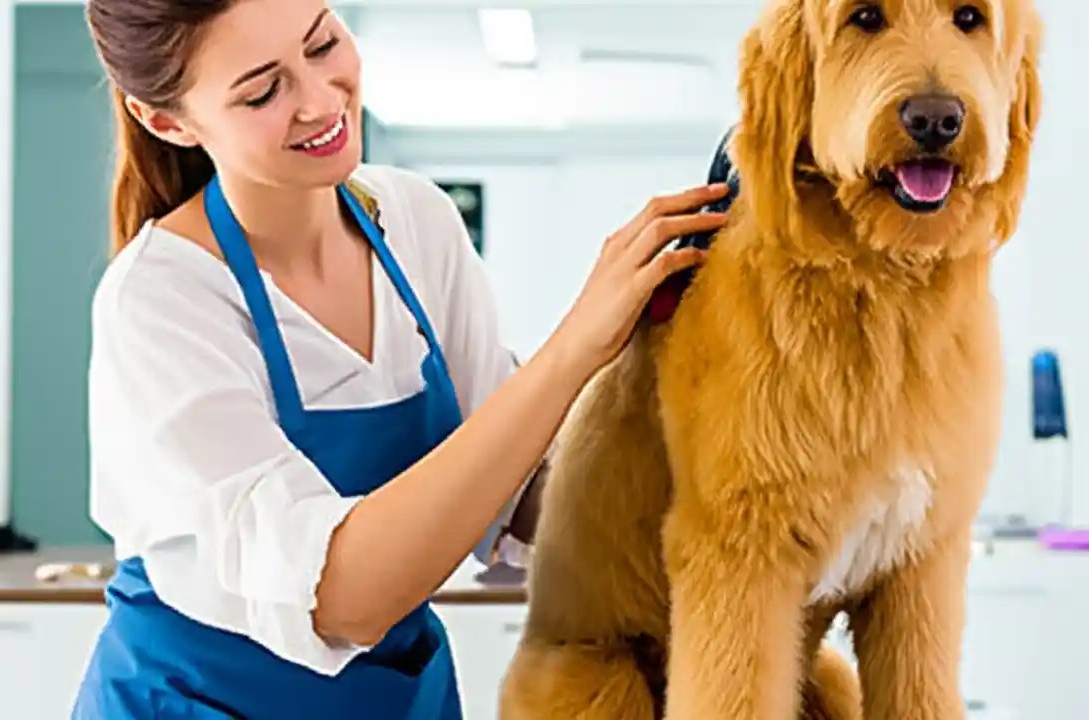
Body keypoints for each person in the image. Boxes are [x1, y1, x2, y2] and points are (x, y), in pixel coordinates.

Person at [72, 0, 729, 717]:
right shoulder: (163, 301)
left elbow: (514, 498)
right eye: (263, 91)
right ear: (167, 120)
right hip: (199, 703)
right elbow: (346, 598)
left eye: (322, 43)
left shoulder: (417, 221)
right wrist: (575, 347)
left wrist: (656, 395)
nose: (320, 101)